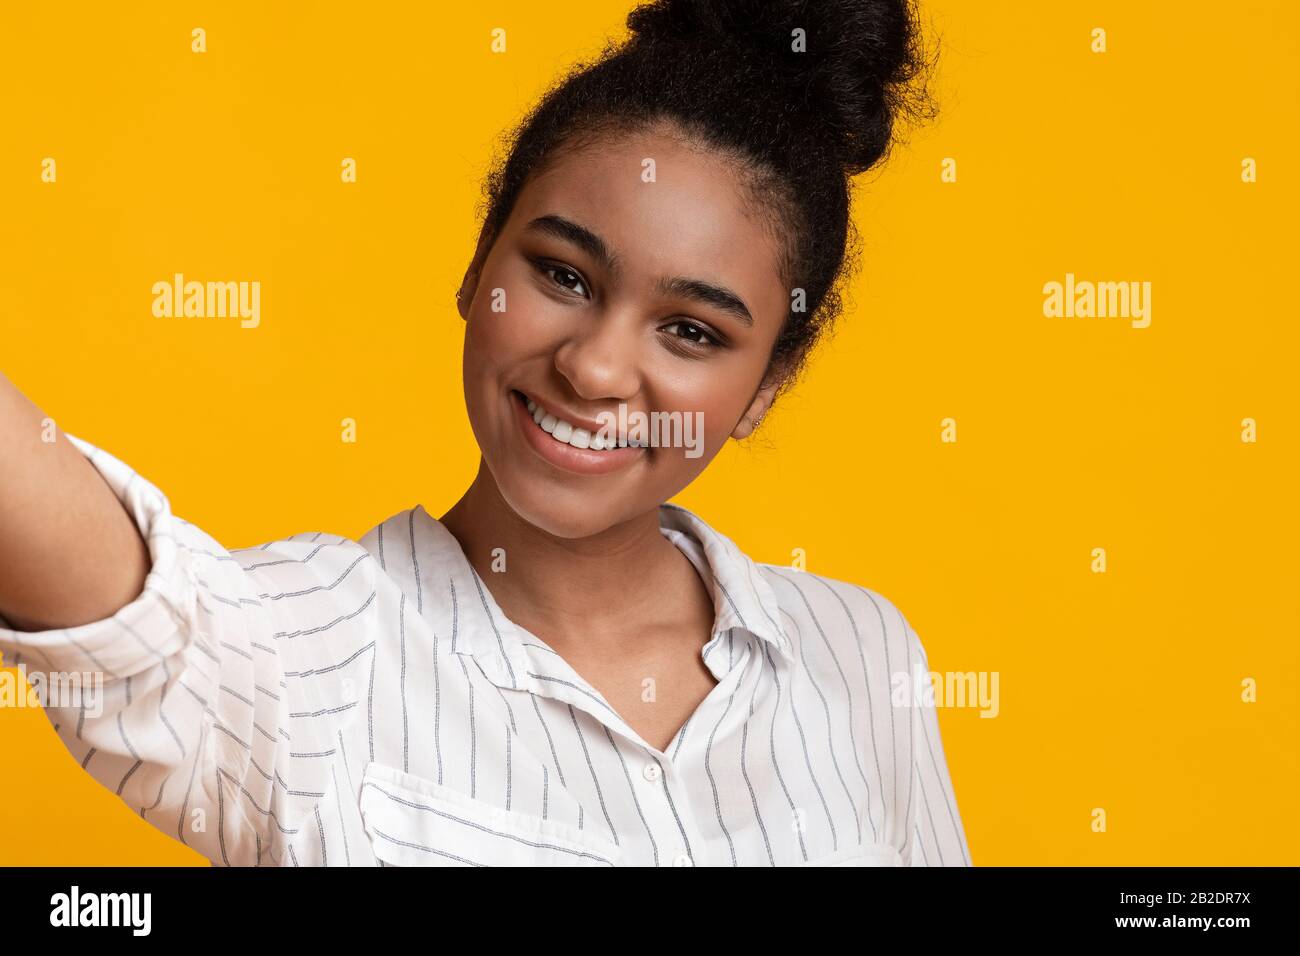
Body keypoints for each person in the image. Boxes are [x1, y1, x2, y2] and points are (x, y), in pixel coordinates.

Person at [0, 0, 970, 866]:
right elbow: (111, 591)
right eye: (562, 275)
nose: (591, 367)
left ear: (767, 385)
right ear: (479, 265)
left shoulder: (861, 652)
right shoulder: (313, 658)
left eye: (691, 330)